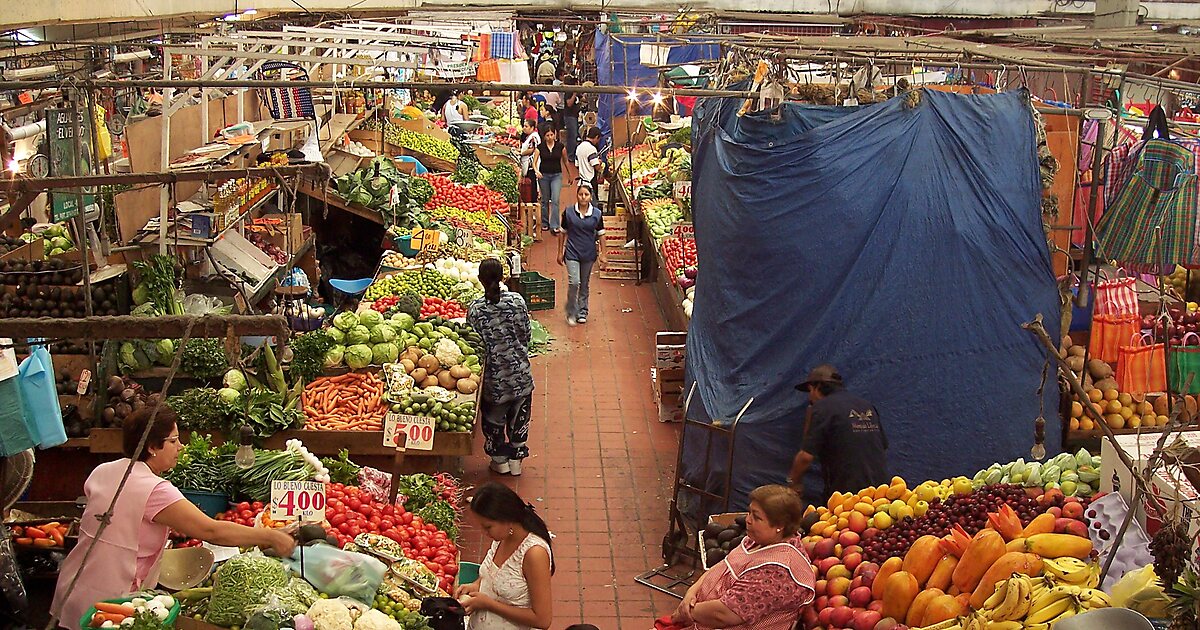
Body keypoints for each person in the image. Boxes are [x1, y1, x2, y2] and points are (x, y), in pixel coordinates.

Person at [51, 405, 295, 629]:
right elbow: (212, 531)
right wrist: (270, 536)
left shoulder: (103, 470)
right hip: (111, 604)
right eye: (174, 440)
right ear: (152, 447)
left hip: (74, 586)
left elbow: (119, 518)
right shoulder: (155, 488)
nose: (180, 447)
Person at [667, 485, 815, 630]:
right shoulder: (757, 540)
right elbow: (722, 566)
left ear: (780, 526)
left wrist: (686, 612)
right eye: (749, 512)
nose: (748, 520)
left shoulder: (778, 573)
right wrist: (690, 594)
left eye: (756, 517)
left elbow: (724, 614)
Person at [467, 259, 535, 476]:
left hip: (494, 382)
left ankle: (499, 461)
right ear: (503, 276)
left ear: (480, 280)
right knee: (519, 418)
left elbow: (473, 346)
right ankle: (516, 460)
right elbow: (526, 335)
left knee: (494, 421)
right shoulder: (517, 301)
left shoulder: (476, 310)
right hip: (520, 375)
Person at [455, 483, 553, 630]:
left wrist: (488, 604)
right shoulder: (501, 538)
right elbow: (493, 575)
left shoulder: (534, 554)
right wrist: (476, 585)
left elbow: (542, 619)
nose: (484, 533)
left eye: (487, 527)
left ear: (507, 519)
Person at [788, 364, 889, 506]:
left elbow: (805, 456)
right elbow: (882, 447)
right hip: (881, 492)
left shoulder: (822, 408)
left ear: (816, 387)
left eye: (809, 391)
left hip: (846, 495)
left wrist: (794, 482)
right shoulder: (866, 405)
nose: (809, 398)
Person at [557, 185, 607, 326]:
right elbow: (562, 232)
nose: (583, 197)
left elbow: (601, 235)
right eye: (580, 194)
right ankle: (571, 311)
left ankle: (582, 311)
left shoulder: (597, 214)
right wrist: (560, 252)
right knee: (574, 282)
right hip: (572, 252)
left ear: (591, 197)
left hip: (588, 254)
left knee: (584, 284)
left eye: (586, 194)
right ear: (577, 196)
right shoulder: (568, 213)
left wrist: (604, 254)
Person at [532, 123, 565, 235]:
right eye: (547, 135)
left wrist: (569, 175)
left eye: (552, 134)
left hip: (557, 175)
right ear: (544, 136)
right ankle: (544, 222)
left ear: (555, 134)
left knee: (555, 200)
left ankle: (555, 224)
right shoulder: (540, 147)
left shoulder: (560, 146)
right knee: (545, 200)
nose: (550, 137)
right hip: (544, 175)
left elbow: (565, 161)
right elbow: (534, 162)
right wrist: (537, 171)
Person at [518, 119, 541, 205]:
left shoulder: (533, 137)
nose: (524, 128)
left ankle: (532, 203)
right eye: (524, 126)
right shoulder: (530, 136)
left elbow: (531, 149)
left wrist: (521, 153)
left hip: (531, 164)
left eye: (526, 126)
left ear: (532, 128)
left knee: (532, 184)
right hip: (529, 163)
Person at [575, 126, 603, 195]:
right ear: (596, 137)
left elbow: (577, 165)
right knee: (593, 203)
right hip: (590, 182)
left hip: (581, 182)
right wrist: (599, 162)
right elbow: (597, 167)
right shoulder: (591, 149)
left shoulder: (579, 147)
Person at [559, 76, 581, 161]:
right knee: (572, 136)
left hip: (574, 116)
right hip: (569, 116)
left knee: (574, 135)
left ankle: (572, 154)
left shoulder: (576, 92)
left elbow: (582, 99)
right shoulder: (569, 91)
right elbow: (569, 103)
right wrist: (574, 94)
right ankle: (570, 155)